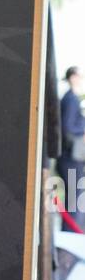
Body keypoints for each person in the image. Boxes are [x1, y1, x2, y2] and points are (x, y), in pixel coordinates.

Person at [59, 66, 85, 228]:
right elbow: (67, 128)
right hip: (70, 158)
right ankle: (70, 240)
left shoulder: (72, 98)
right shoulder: (71, 99)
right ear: (73, 77)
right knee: (75, 201)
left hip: (73, 158)